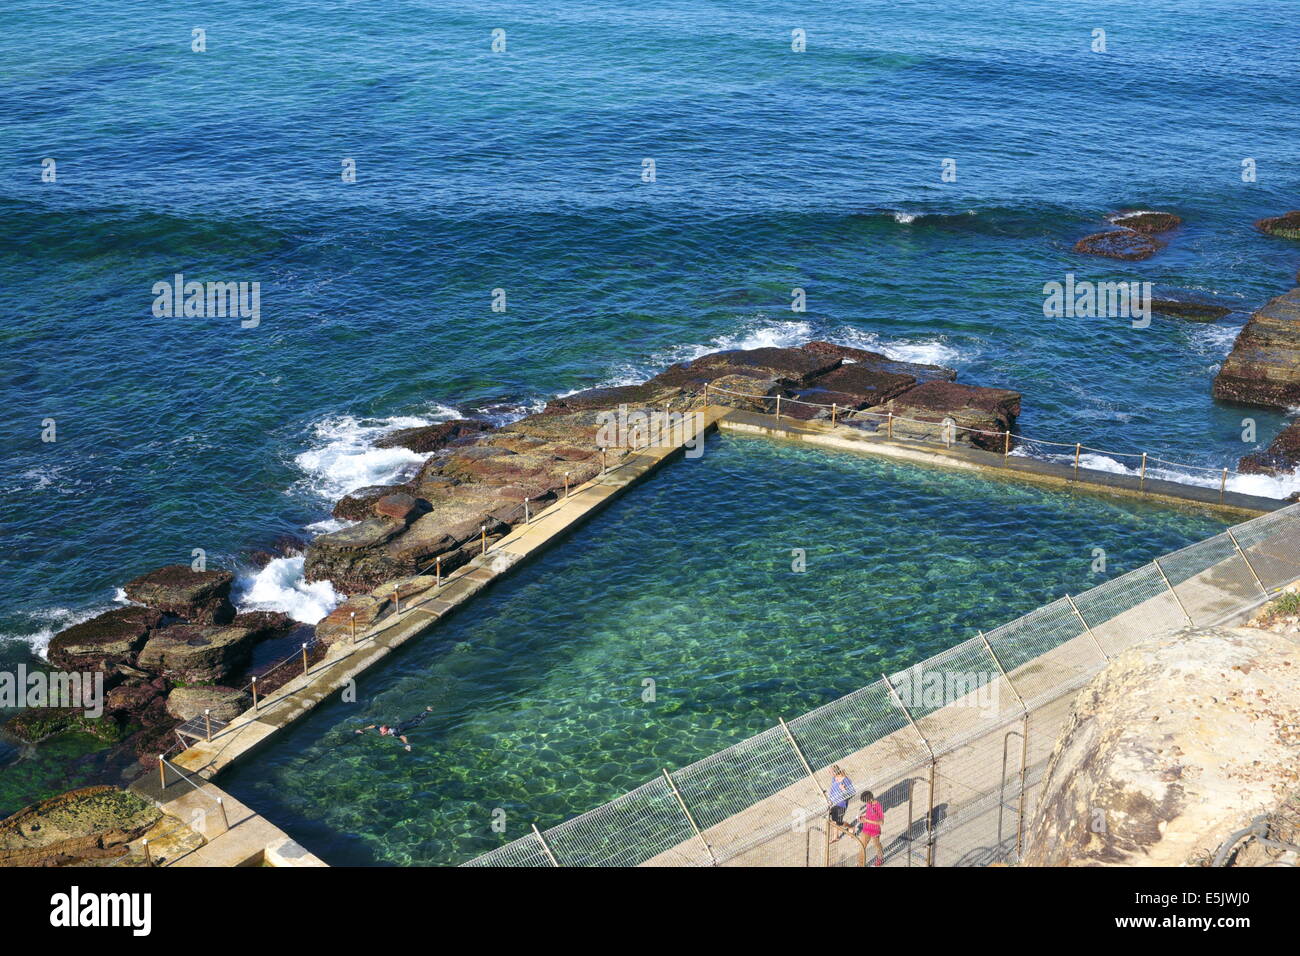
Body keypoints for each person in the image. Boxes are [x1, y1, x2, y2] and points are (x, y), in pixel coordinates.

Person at [355, 706, 434, 751]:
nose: (381, 733)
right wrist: (362, 730)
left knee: (418, 721)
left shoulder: (394, 733)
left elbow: (403, 737)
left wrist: (407, 745)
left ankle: (428, 711)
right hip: (402, 724)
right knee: (414, 718)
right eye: (381, 731)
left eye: (383, 732)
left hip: (408, 726)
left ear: (387, 731)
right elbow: (373, 726)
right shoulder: (382, 729)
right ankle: (426, 710)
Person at [828, 766, 855, 841]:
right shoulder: (834, 779)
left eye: (830, 771)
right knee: (834, 820)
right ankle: (836, 837)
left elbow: (852, 792)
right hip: (834, 803)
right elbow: (832, 790)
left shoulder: (845, 780)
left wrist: (844, 790)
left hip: (842, 804)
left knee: (838, 822)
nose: (829, 773)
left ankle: (850, 827)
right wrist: (830, 800)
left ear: (835, 772)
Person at [858, 790, 885, 866]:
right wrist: (863, 818)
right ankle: (860, 864)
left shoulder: (878, 806)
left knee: (877, 845)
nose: (866, 803)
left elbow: (881, 822)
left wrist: (867, 820)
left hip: (875, 830)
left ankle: (880, 859)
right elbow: (868, 815)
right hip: (866, 829)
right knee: (862, 847)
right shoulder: (868, 804)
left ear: (870, 799)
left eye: (866, 801)